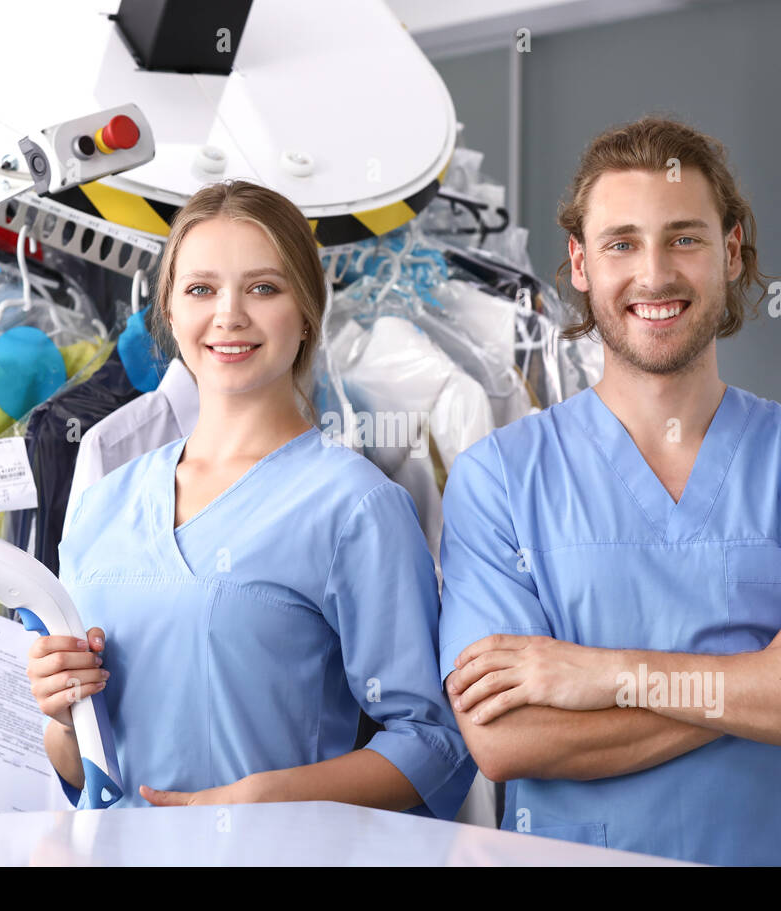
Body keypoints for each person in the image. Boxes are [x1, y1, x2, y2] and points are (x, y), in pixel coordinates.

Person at [438, 115, 781, 865]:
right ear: (580, 264)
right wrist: (774, 673)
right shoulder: (499, 478)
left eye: (684, 238)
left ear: (730, 253)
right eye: (622, 243)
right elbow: (508, 738)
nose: (655, 274)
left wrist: (600, 675)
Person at [24, 180, 474, 818]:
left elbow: (434, 745)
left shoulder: (355, 507)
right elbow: (87, 774)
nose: (229, 315)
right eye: (201, 289)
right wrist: (65, 720)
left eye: (263, 288)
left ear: (307, 311)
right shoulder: (103, 502)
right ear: (171, 312)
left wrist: (268, 798)